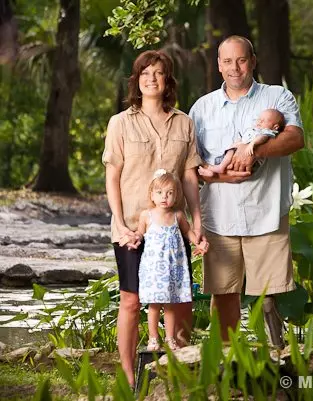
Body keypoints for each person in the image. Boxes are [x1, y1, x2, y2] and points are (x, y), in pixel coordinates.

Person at [189, 35, 304, 348]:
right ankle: (224, 360)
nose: (235, 67)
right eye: (227, 61)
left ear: (252, 61)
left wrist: (253, 152)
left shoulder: (277, 97)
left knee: (271, 294)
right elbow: (191, 163)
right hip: (219, 215)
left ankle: (279, 357)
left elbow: (295, 139)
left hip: (265, 211)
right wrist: (221, 177)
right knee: (223, 294)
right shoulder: (202, 108)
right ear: (218, 65)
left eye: (241, 60)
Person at [102, 50, 204, 387]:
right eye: (145, 73)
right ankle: (130, 377)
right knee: (132, 300)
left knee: (180, 298)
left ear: (167, 81)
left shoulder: (184, 122)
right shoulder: (120, 123)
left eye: (158, 73)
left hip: (172, 230)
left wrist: (197, 220)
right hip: (133, 228)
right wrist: (118, 222)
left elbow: (189, 176)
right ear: (136, 80)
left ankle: (179, 372)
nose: (151, 78)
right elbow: (112, 176)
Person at [120, 169, 208, 351]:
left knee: (170, 306)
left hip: (172, 268)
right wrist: (134, 239)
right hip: (154, 269)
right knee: (154, 305)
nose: (164, 197)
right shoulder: (147, 215)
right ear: (152, 194)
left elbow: (188, 233)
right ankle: (153, 338)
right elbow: (141, 234)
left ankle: (169, 338)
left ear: (176, 196)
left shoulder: (178, 216)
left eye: (170, 193)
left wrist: (198, 243)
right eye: (159, 193)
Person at [199, 108, 284, 177]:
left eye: (264, 120)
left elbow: (262, 138)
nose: (259, 122)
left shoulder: (267, 132)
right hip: (241, 157)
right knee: (229, 160)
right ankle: (212, 172)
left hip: (250, 162)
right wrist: (240, 143)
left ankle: (219, 168)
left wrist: (252, 144)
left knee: (231, 152)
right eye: (259, 119)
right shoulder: (257, 129)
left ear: (275, 127)